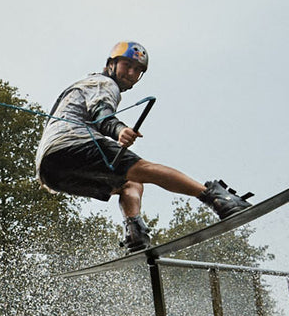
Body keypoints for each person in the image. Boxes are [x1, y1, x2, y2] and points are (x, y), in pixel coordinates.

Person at [35, 41, 252, 252]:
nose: (130, 73)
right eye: (126, 65)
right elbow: (101, 113)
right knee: (146, 170)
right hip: (73, 144)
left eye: (137, 70)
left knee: (131, 183)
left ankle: (135, 232)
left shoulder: (82, 85)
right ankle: (217, 199)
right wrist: (118, 130)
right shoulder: (103, 83)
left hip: (50, 171)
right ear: (111, 64)